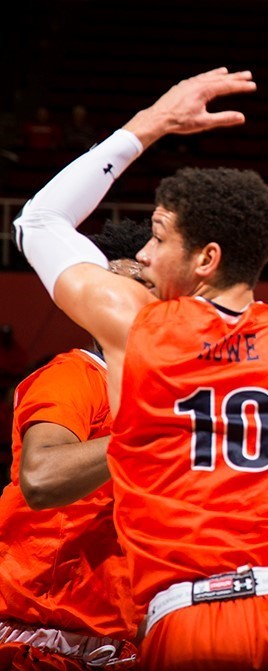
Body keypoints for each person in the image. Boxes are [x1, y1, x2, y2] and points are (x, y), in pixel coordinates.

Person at [13, 68, 268, 670]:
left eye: (155, 237)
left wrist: (152, 124)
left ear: (206, 257)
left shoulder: (137, 326)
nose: (143, 255)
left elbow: (37, 222)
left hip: (194, 615)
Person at [0, 220, 150, 671]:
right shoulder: (74, 375)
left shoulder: (162, 394)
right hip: (44, 637)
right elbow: (41, 478)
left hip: (119, 638)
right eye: (135, 286)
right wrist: (143, 435)